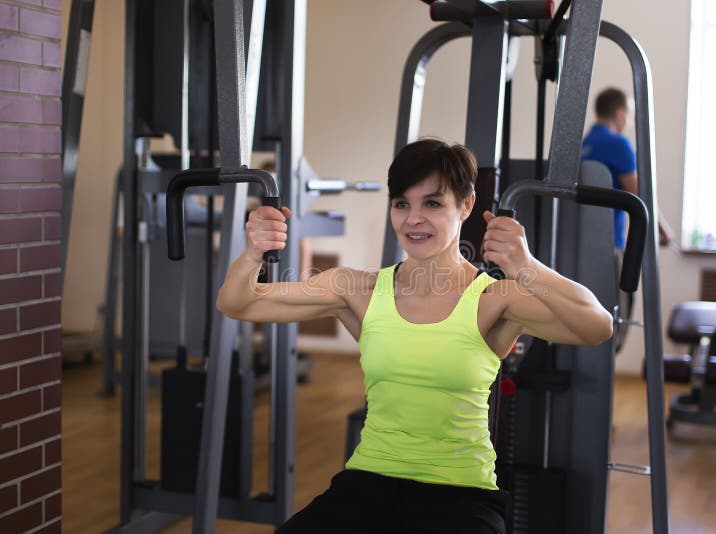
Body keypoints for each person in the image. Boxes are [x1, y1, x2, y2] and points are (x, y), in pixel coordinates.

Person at [217, 139, 613, 533]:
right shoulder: (357, 289)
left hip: (461, 497)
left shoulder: (494, 298)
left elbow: (596, 325)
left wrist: (526, 265)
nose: (413, 219)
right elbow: (238, 303)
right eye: (402, 204)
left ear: (467, 206)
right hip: (367, 485)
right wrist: (253, 252)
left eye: (433, 203)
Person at [581, 87, 673, 351]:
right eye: (629, 116)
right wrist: (664, 231)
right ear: (620, 114)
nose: (629, 122)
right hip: (610, 247)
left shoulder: (584, 143)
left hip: (582, 249)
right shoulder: (618, 143)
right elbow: (640, 195)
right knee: (613, 324)